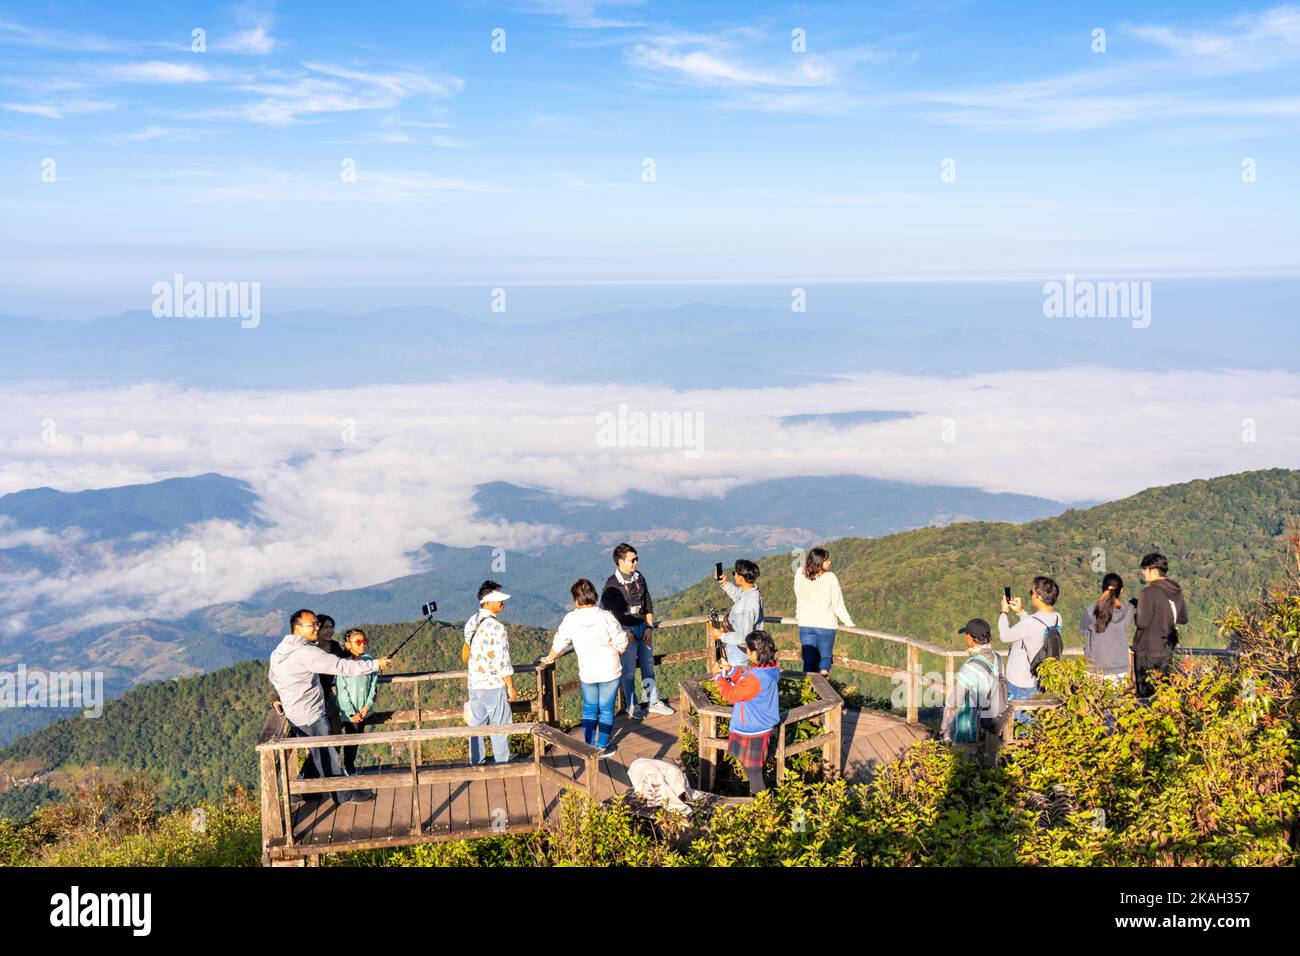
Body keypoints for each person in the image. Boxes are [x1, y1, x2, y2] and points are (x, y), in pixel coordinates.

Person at [267, 609, 390, 804]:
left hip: (294, 713)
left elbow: (273, 677)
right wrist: (375, 665)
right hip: (311, 713)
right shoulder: (307, 652)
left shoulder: (279, 651)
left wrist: (284, 697)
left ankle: (303, 791)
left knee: (318, 752)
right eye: (312, 625)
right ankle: (342, 794)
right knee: (326, 754)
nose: (317, 627)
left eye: (317, 623)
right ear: (297, 628)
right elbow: (342, 667)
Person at [540, 579, 629, 756]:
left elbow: (560, 643)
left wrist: (548, 659)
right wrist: (617, 652)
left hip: (588, 672)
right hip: (610, 670)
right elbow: (622, 641)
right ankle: (602, 746)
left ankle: (588, 746)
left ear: (576, 600)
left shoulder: (571, 619)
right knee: (606, 710)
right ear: (593, 596)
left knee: (589, 709)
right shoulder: (606, 616)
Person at [600, 544, 673, 719]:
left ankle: (652, 701)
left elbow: (648, 602)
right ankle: (632, 705)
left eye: (636, 559)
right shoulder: (612, 585)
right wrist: (623, 632)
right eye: (632, 560)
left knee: (648, 666)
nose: (636, 562)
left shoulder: (639, 578)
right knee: (629, 670)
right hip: (627, 633)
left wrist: (649, 627)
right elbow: (605, 614)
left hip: (643, 628)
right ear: (620, 561)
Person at [712, 629, 781, 797]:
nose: (747, 653)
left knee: (753, 771)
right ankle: (758, 802)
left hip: (753, 729)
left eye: (749, 650)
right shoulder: (767, 670)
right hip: (760, 725)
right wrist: (730, 671)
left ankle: (763, 808)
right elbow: (747, 686)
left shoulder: (757, 676)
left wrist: (718, 677)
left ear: (757, 652)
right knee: (754, 771)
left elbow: (732, 695)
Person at [464, 580, 518, 765]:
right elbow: (503, 660)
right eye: (499, 600)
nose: (502, 603)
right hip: (493, 685)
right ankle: (502, 763)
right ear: (488, 602)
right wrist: (510, 686)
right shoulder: (498, 629)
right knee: (500, 728)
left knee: (476, 726)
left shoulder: (471, 621)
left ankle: (476, 762)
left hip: (474, 684)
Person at [997, 576, 1062, 720]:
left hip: (1020, 679)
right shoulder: (1057, 618)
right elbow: (1034, 629)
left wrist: (1004, 612)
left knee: (1019, 723)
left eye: (1031, 592)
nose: (1030, 595)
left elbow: (1005, 636)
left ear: (1038, 597)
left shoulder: (1031, 623)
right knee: (1034, 720)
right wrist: (1020, 612)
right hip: (1039, 678)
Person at [941, 619, 1004, 757]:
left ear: (970, 638)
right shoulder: (997, 658)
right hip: (991, 720)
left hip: (970, 728)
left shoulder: (970, 668)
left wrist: (945, 729)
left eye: (966, 635)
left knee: (965, 765)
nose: (965, 638)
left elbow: (955, 701)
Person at [1132, 552, 1188, 698]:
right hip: (1168, 649)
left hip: (1147, 650)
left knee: (1145, 697)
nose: (1143, 573)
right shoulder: (1176, 590)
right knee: (1163, 694)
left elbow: (1142, 622)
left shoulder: (1148, 591)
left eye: (1145, 569)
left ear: (1153, 570)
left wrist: (1137, 610)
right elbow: (1182, 618)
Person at [793, 546, 854, 675]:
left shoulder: (799, 574)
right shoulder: (830, 577)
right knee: (825, 659)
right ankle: (822, 686)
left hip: (805, 624)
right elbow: (838, 604)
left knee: (808, 661)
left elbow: (799, 596)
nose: (830, 562)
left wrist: (798, 615)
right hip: (825, 625)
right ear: (820, 561)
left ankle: (808, 690)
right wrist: (848, 622)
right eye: (827, 560)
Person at [336, 628, 378, 775]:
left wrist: (367, 706)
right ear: (348, 645)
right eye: (358, 642)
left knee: (357, 739)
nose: (362, 645)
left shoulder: (369, 660)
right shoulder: (344, 664)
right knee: (350, 741)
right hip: (351, 714)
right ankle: (348, 768)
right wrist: (351, 712)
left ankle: (349, 767)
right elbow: (342, 691)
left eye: (364, 641)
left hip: (364, 711)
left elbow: (373, 684)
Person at [1079, 573, 1132, 684]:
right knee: (1116, 700)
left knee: (1094, 701)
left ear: (1102, 588)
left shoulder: (1090, 610)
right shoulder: (1127, 610)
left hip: (1094, 667)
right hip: (1119, 666)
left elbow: (1083, 630)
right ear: (1121, 590)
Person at [711, 559, 764, 668]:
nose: (734, 575)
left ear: (741, 577)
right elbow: (738, 596)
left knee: (736, 678)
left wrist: (721, 636)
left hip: (738, 648)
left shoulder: (747, 607)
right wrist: (724, 582)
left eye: (735, 573)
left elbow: (743, 637)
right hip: (737, 645)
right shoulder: (752, 592)